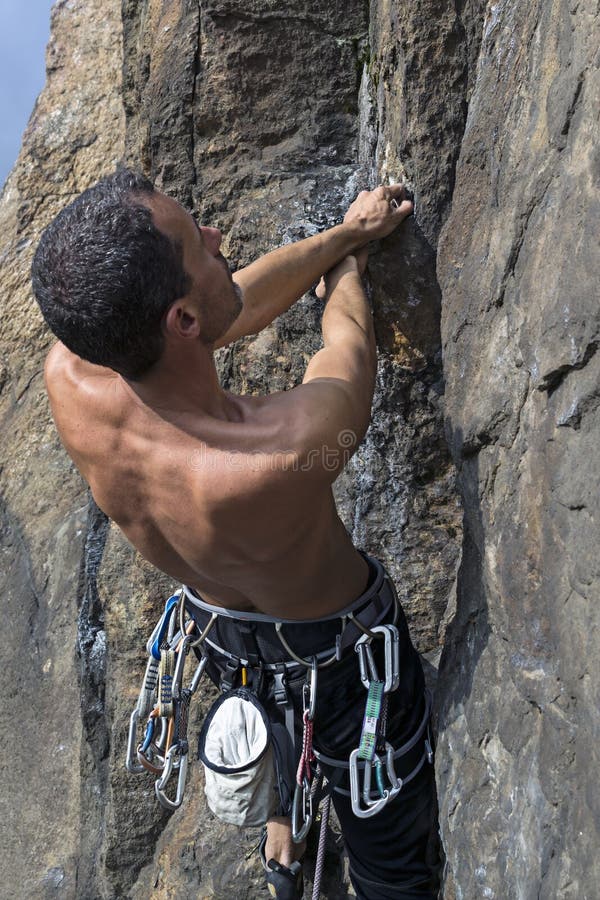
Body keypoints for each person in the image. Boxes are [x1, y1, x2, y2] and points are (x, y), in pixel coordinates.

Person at [31, 168, 438, 899]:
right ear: (182, 322)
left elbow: (231, 305)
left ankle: (283, 828)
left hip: (220, 635)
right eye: (201, 242)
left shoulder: (72, 371)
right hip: (344, 664)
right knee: (395, 870)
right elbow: (347, 347)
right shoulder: (286, 451)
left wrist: (345, 232)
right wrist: (350, 266)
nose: (219, 237)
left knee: (267, 701)